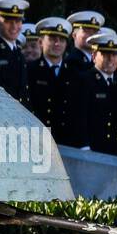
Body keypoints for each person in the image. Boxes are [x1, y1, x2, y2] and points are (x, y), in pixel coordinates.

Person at [26, 16, 91, 148]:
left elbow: (80, 112)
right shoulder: (30, 71)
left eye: (61, 40)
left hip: (67, 142)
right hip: (37, 141)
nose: (57, 44)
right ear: (40, 42)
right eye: (52, 39)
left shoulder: (75, 74)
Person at [87, 29, 117, 154]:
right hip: (92, 149)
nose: (110, 59)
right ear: (94, 56)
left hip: (113, 149)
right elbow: (80, 119)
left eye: (114, 54)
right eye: (105, 54)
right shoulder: (85, 81)